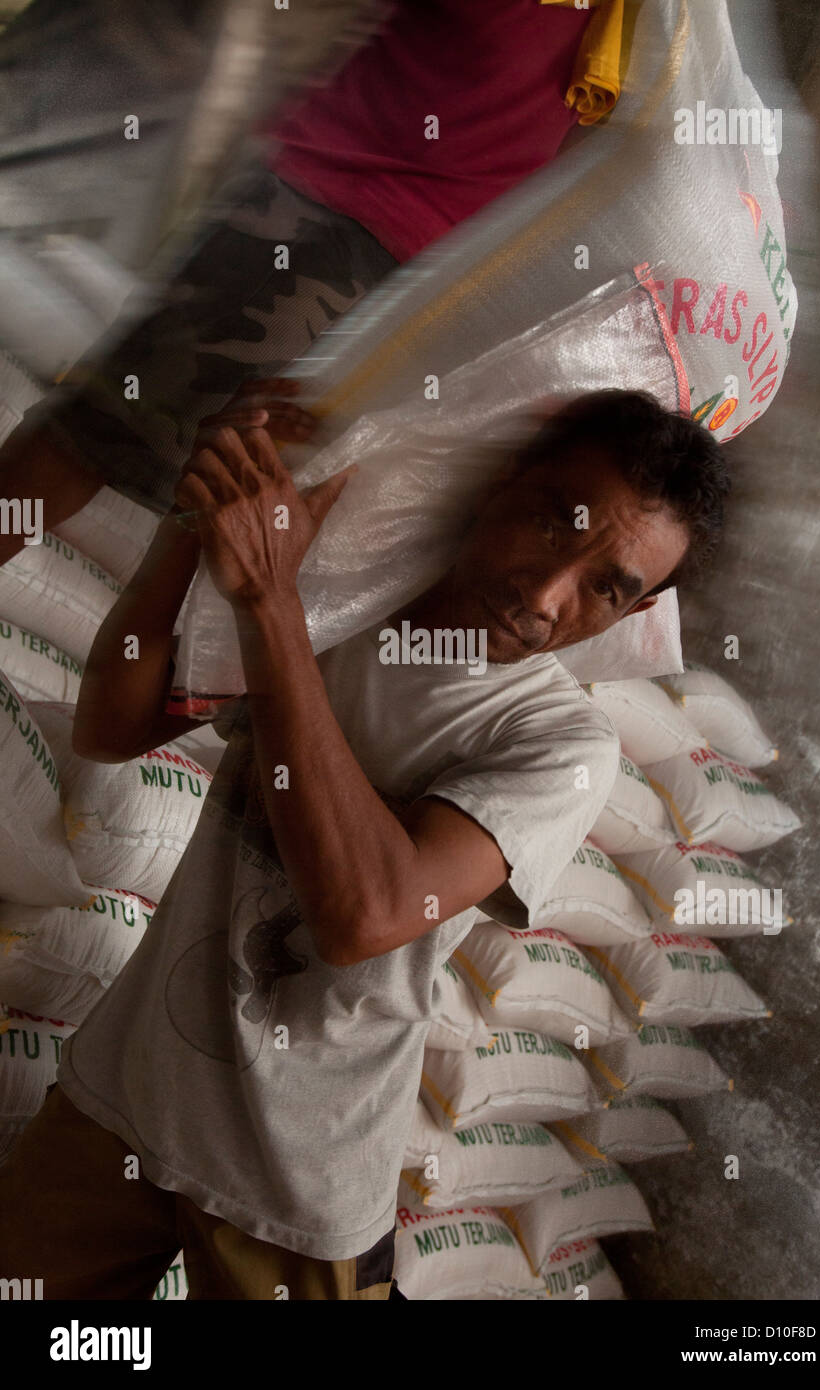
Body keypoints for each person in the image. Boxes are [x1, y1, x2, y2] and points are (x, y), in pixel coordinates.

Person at [0, 383, 731, 1299]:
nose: (547, 596)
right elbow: (112, 726)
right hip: (121, 1101)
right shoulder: (346, 598)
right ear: (502, 481)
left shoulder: (560, 745)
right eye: (551, 525)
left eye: (605, 588)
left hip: (296, 1190)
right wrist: (200, 521)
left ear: (627, 618)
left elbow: (366, 914)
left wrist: (271, 599)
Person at [0, 0, 607, 555]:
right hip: (325, 223)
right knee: (101, 439)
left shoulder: (647, 23)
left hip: (410, 271)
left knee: (210, 486)